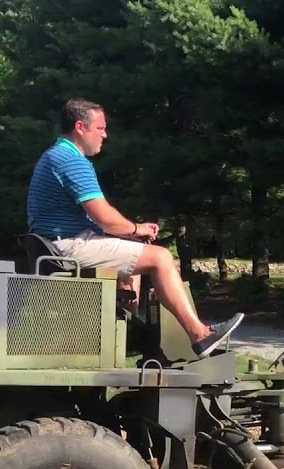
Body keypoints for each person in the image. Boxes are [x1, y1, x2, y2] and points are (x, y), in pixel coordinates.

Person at [26, 98, 242, 358]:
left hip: (57, 244)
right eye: (100, 128)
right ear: (80, 127)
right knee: (161, 258)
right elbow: (105, 218)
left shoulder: (55, 155)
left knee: (133, 265)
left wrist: (132, 234)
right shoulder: (70, 160)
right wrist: (137, 228)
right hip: (68, 246)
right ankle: (200, 335)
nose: (105, 135)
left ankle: (128, 334)